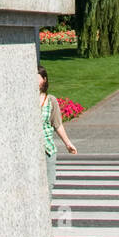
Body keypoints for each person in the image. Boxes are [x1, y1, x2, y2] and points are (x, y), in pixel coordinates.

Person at [39, 66, 77, 198]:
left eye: (36, 77)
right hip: (30, 151)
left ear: (44, 80)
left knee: (48, 186)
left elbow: (57, 124)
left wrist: (68, 143)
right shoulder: (25, 101)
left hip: (47, 149)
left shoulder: (50, 101)